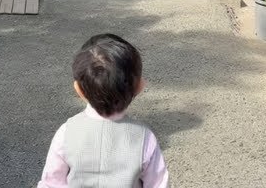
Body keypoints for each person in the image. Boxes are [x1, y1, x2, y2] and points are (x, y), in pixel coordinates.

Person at [36, 34, 169, 188]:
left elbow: (51, 183)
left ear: (79, 90)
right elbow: (159, 184)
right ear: (139, 86)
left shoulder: (66, 132)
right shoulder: (145, 138)